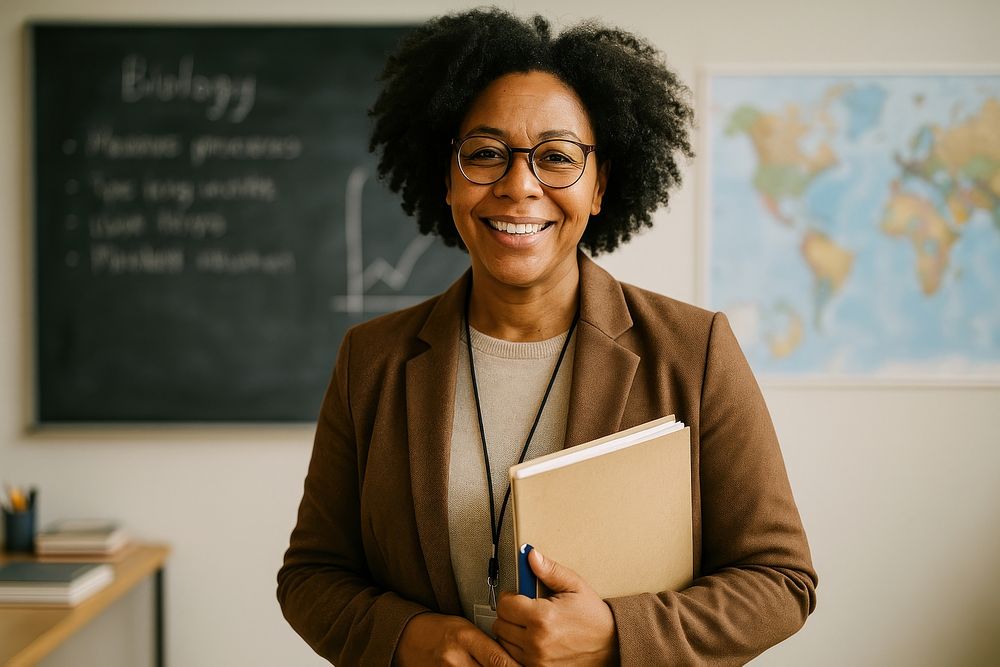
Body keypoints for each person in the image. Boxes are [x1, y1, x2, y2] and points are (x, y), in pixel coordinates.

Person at [277, 8, 817, 666]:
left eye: (556, 157)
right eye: (485, 154)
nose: (518, 185)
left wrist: (620, 632)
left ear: (599, 186)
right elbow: (310, 575)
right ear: (446, 177)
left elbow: (781, 581)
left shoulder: (694, 350)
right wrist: (407, 637)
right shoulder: (373, 360)